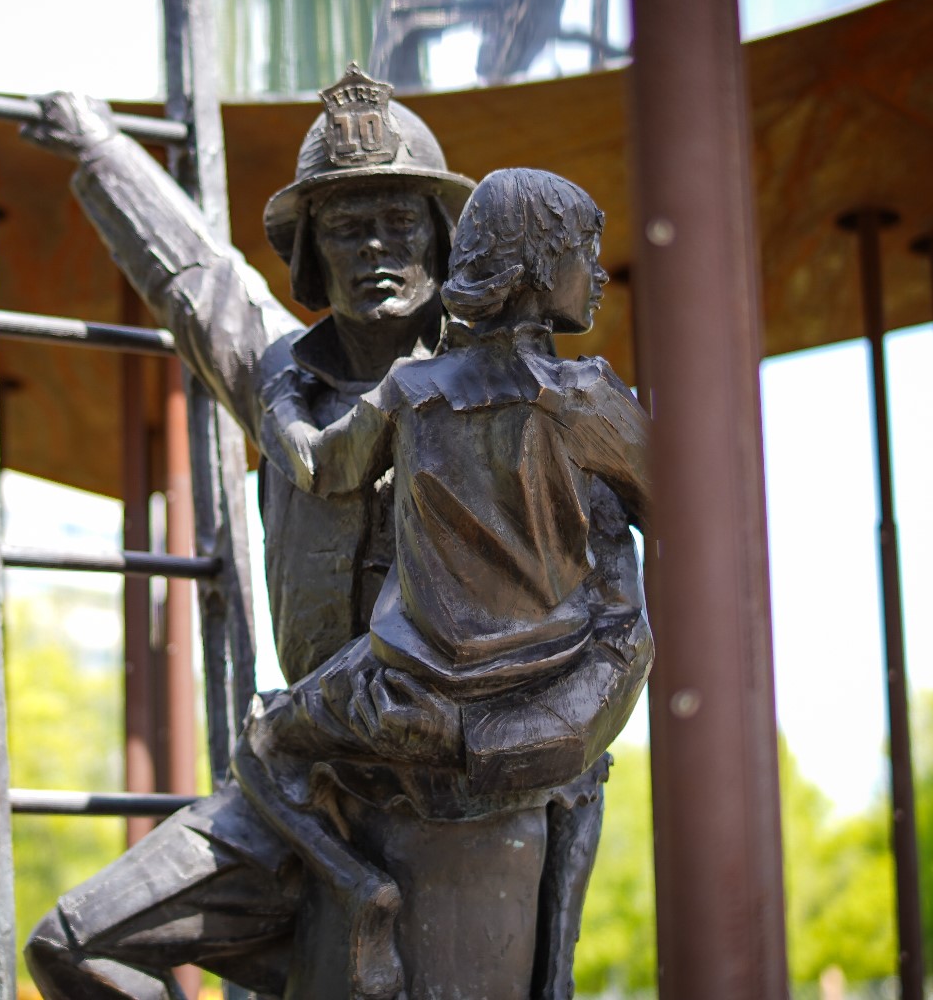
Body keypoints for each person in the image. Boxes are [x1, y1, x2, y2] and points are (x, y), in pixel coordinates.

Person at [18, 68, 652, 1000]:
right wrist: (104, 152)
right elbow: (194, 277)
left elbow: (617, 624)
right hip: (304, 786)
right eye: (347, 230)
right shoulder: (286, 385)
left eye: (400, 224)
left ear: (445, 239)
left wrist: (500, 746)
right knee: (73, 944)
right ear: (312, 253)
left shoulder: (528, 399)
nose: (377, 252)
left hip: (465, 809)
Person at [234, 169, 651, 998]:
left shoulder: (410, 392)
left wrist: (278, 395)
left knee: (267, 743)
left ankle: (359, 890)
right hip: (529, 683)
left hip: (402, 678)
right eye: (585, 257)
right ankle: (358, 895)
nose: (600, 276)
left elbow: (318, 464)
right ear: (538, 270)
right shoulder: (588, 400)